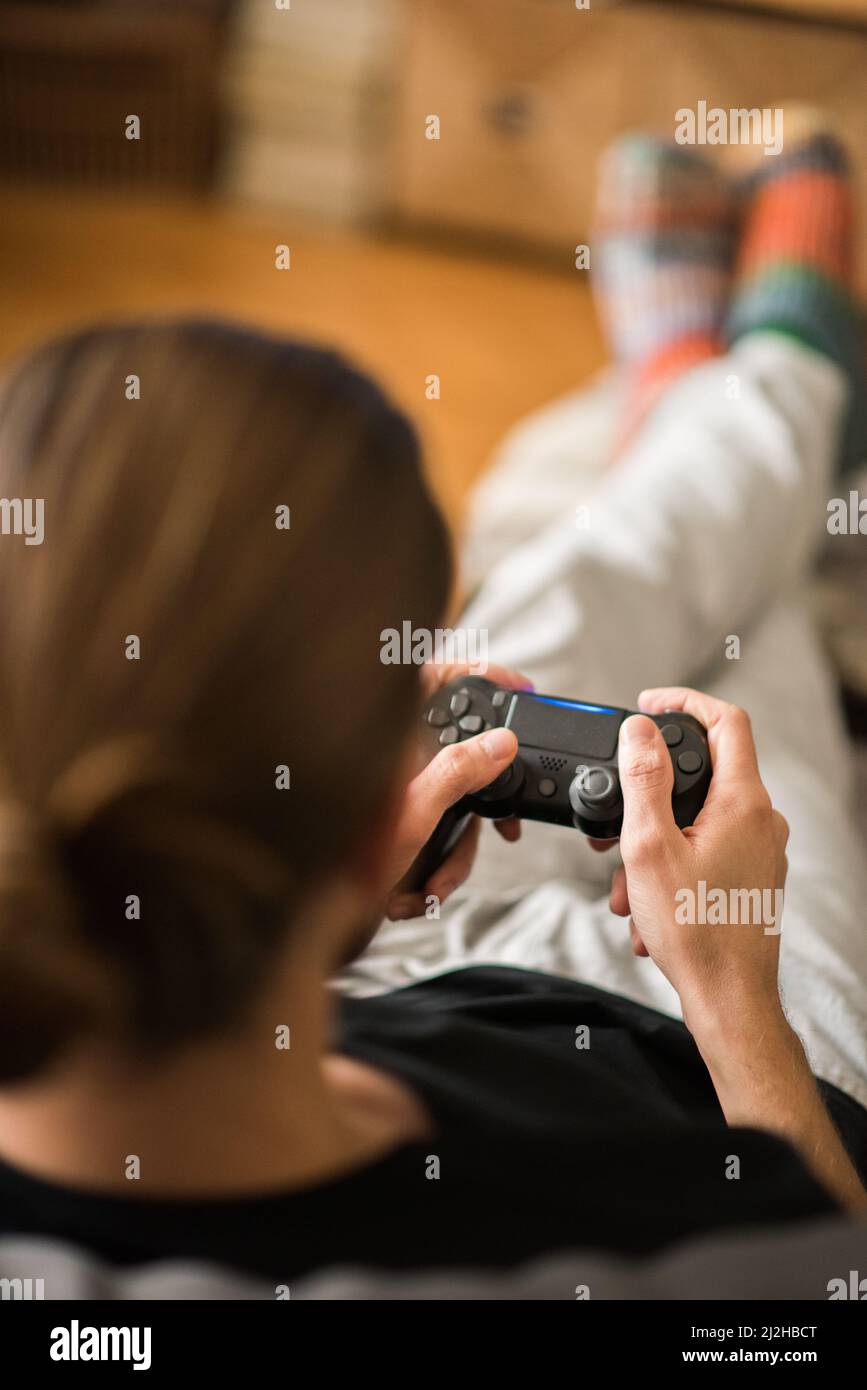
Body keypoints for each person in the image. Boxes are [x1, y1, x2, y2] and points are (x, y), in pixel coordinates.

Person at [0, 118, 864, 1287]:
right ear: (359, 823)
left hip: (348, 968)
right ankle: (761, 385)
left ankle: (713, 391)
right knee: (735, 676)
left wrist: (333, 923)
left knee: (575, 591)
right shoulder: (700, 1256)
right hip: (706, 1045)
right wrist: (739, 1002)